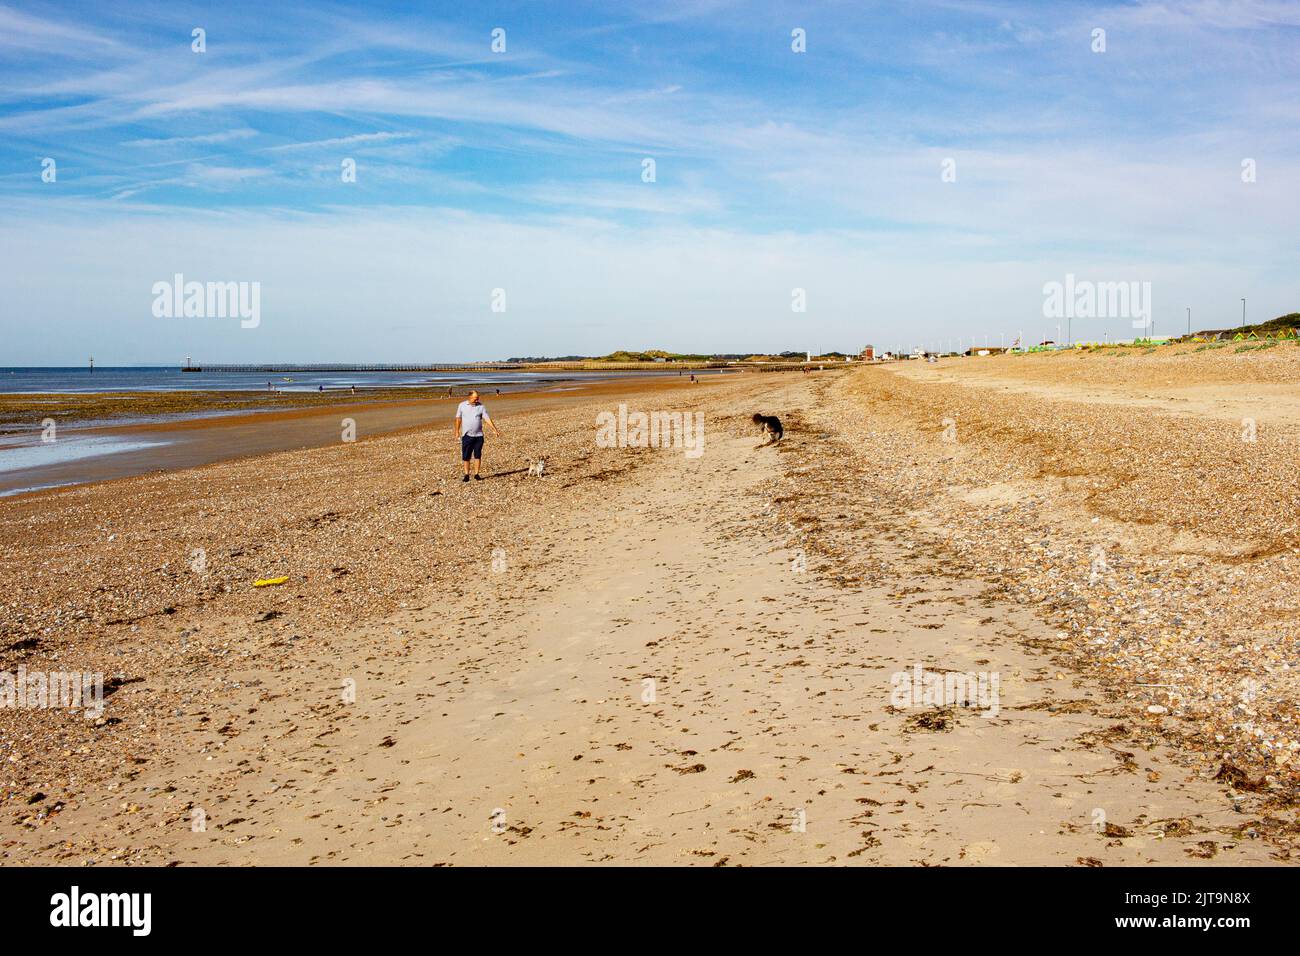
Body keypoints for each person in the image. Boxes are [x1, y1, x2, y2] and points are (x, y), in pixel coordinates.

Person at [455, 389, 501, 482]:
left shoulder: (481, 406)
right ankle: (466, 474)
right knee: (466, 456)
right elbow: (458, 419)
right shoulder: (462, 405)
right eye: (475, 398)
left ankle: (476, 474)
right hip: (467, 435)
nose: (477, 400)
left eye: (478, 398)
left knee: (478, 455)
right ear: (470, 397)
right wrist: (457, 431)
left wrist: (494, 429)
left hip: (479, 436)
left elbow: (487, 418)